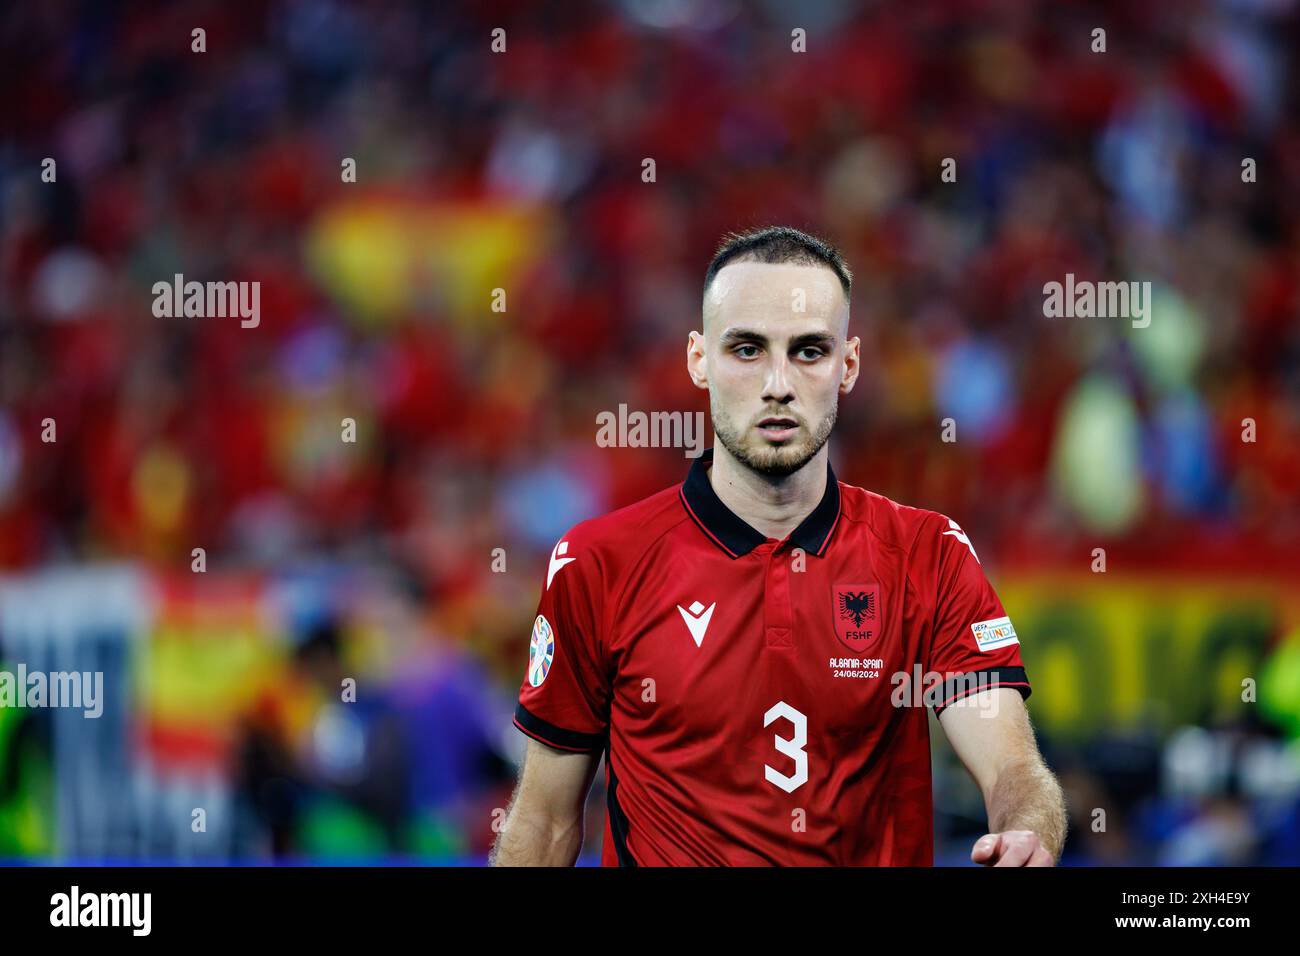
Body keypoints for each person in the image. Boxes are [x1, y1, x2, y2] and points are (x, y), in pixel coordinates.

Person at [491, 226, 1066, 866]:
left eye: (809, 351)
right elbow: (542, 823)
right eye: (746, 350)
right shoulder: (598, 564)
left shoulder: (928, 555)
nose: (778, 384)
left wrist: (1027, 831)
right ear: (698, 359)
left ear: (847, 365)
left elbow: (1013, 767)